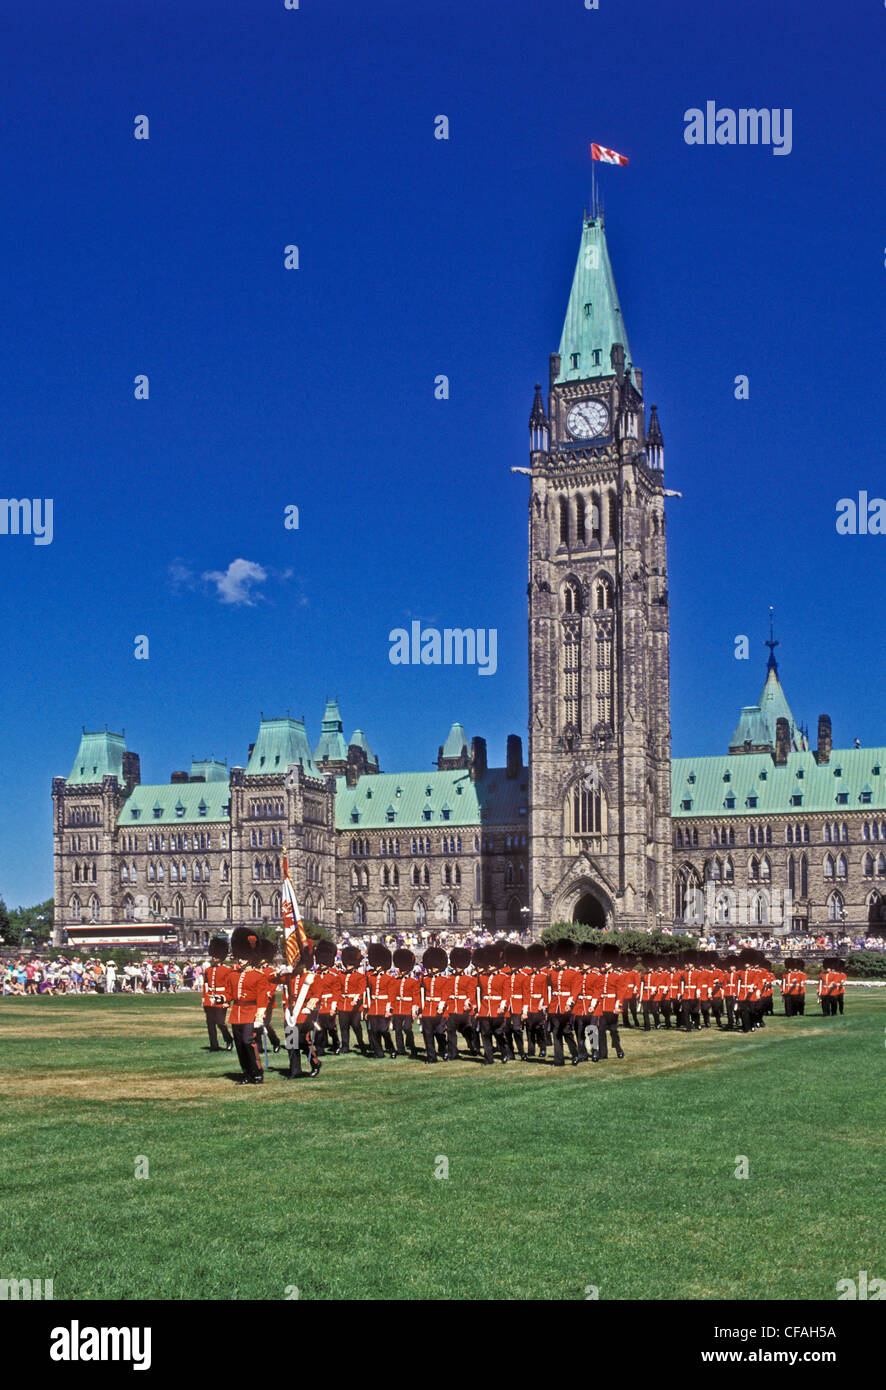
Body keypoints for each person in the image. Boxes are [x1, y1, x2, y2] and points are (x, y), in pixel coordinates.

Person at [227, 927, 273, 1085]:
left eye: (243, 957)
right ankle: (246, 1073)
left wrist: (260, 1017)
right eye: (239, 957)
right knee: (239, 1046)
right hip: (236, 1013)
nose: (240, 960)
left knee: (248, 1042)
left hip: (250, 1013)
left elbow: (262, 999)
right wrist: (221, 998)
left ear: (250, 958)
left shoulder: (258, 976)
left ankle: (257, 1072)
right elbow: (229, 994)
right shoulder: (233, 975)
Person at [282, 953, 322, 1079]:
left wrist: (309, 1007)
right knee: (291, 1042)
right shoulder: (290, 977)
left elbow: (317, 994)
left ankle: (315, 1063)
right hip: (291, 1013)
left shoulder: (312, 977)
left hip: (304, 1012)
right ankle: (295, 1071)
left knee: (302, 1041)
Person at [547, 939, 580, 1067]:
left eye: (561, 958)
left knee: (566, 1031)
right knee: (556, 1032)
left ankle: (575, 1054)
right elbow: (549, 989)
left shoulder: (573, 973)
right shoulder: (552, 973)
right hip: (555, 1006)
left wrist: (570, 1003)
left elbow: (575, 990)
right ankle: (558, 1060)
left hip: (566, 1006)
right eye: (558, 958)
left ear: (567, 958)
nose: (558, 960)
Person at [202, 935, 234, 1052]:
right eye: (213, 955)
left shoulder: (227, 970)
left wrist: (226, 1001)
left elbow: (229, 987)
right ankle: (214, 1045)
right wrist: (204, 999)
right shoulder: (208, 970)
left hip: (221, 999)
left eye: (216, 956)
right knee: (210, 1024)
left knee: (220, 1022)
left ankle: (229, 1039)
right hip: (209, 999)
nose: (214, 958)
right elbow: (206, 985)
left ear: (221, 957)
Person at [446, 946, 479, 1060]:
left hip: (463, 1009)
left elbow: (471, 993)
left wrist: (468, 1003)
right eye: (456, 966)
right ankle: (452, 1053)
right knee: (450, 1032)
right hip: (451, 1008)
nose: (457, 968)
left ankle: (473, 1046)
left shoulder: (470, 979)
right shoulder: (448, 978)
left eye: (460, 966)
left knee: (467, 1030)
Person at [419, 947, 451, 1062]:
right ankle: (431, 1056)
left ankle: (443, 1050)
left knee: (440, 1032)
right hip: (427, 1009)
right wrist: (419, 1009)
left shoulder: (445, 980)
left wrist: (442, 1005)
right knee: (427, 1034)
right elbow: (420, 995)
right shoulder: (424, 979)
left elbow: (446, 993)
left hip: (439, 1009)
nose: (432, 968)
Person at [365, 943, 396, 1058]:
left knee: (384, 1031)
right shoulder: (371, 977)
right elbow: (368, 994)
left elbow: (391, 996)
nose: (377, 966)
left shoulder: (389, 978)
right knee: (373, 1031)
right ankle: (379, 1052)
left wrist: (389, 1010)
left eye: (379, 963)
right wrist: (367, 1009)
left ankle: (391, 1049)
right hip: (373, 1007)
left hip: (384, 1006)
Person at [338, 945, 368, 1054]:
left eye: (350, 963)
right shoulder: (340, 975)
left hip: (355, 1006)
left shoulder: (360, 976)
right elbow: (337, 990)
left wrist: (356, 999)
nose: (348, 965)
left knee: (356, 1025)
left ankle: (361, 1043)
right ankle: (345, 1046)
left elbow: (361, 989)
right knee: (343, 1027)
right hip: (342, 1004)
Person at [391, 948, 421, 1058]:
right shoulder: (395, 980)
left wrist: (414, 1010)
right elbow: (393, 995)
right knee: (397, 1030)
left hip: (408, 1008)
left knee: (407, 1028)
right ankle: (400, 1049)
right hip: (397, 1007)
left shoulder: (413, 981)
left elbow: (416, 996)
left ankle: (412, 1047)